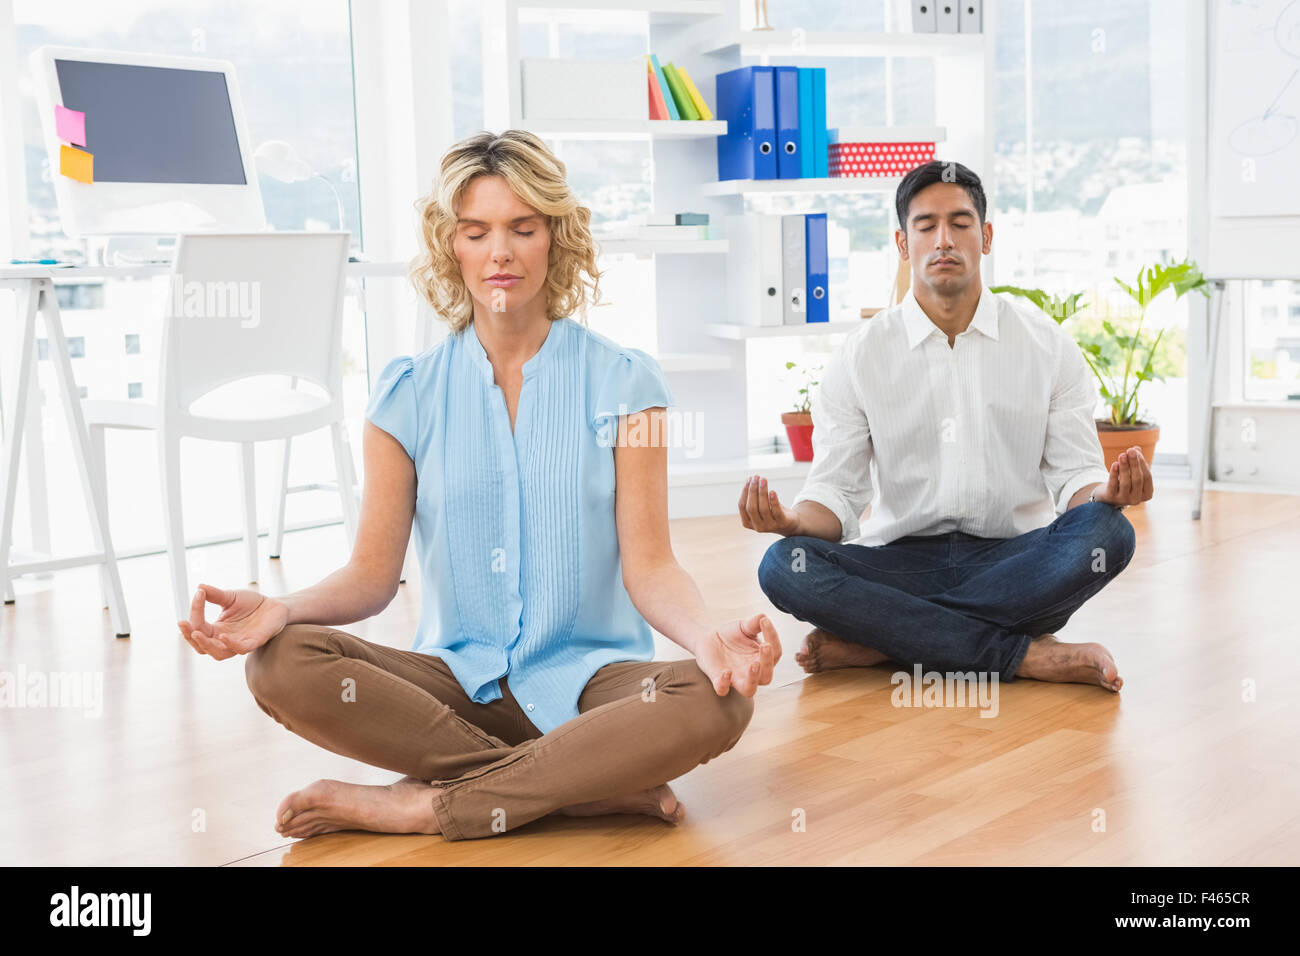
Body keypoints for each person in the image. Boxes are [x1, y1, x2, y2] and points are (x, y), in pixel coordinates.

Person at [177, 130, 779, 842]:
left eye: (522, 229)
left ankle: (425, 805)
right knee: (280, 664)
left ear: (555, 238)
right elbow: (372, 578)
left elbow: (651, 566)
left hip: (592, 687)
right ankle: (579, 787)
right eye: (477, 232)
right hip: (453, 688)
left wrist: (708, 638)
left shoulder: (627, 385)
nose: (500, 254)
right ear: (451, 246)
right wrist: (281, 606)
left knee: (715, 702)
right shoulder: (407, 395)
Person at [742, 160, 1147, 693]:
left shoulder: (1046, 344)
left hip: (1015, 564)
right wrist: (790, 520)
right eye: (926, 226)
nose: (944, 240)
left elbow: (1076, 479)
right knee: (782, 564)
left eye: (960, 223)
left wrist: (1108, 492)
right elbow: (836, 495)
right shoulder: (861, 355)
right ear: (903, 243)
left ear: (987, 236)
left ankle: (888, 638)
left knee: (1109, 532)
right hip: (899, 565)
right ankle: (1023, 657)